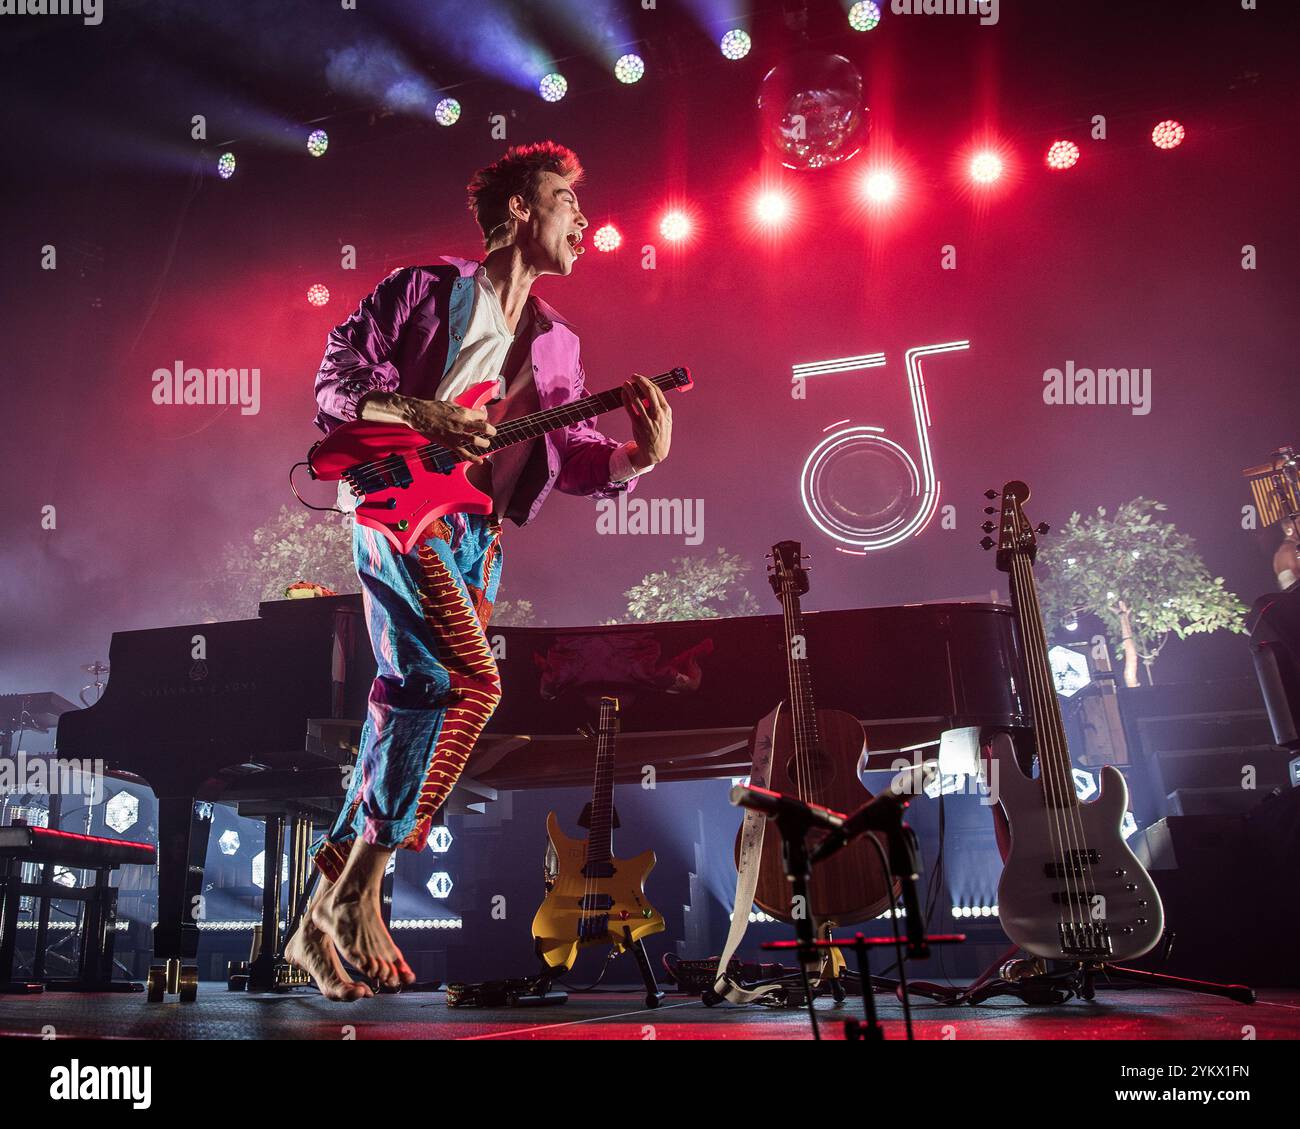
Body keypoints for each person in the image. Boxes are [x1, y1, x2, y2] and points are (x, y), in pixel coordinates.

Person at [286, 141, 673, 999]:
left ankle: (326, 909)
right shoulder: (422, 289)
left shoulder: (558, 341)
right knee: (453, 678)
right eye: (568, 199)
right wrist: (419, 410)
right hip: (399, 499)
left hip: (474, 534)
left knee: (421, 692)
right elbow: (338, 377)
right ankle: (358, 891)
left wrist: (635, 457)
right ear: (520, 212)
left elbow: (571, 458)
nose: (585, 216)